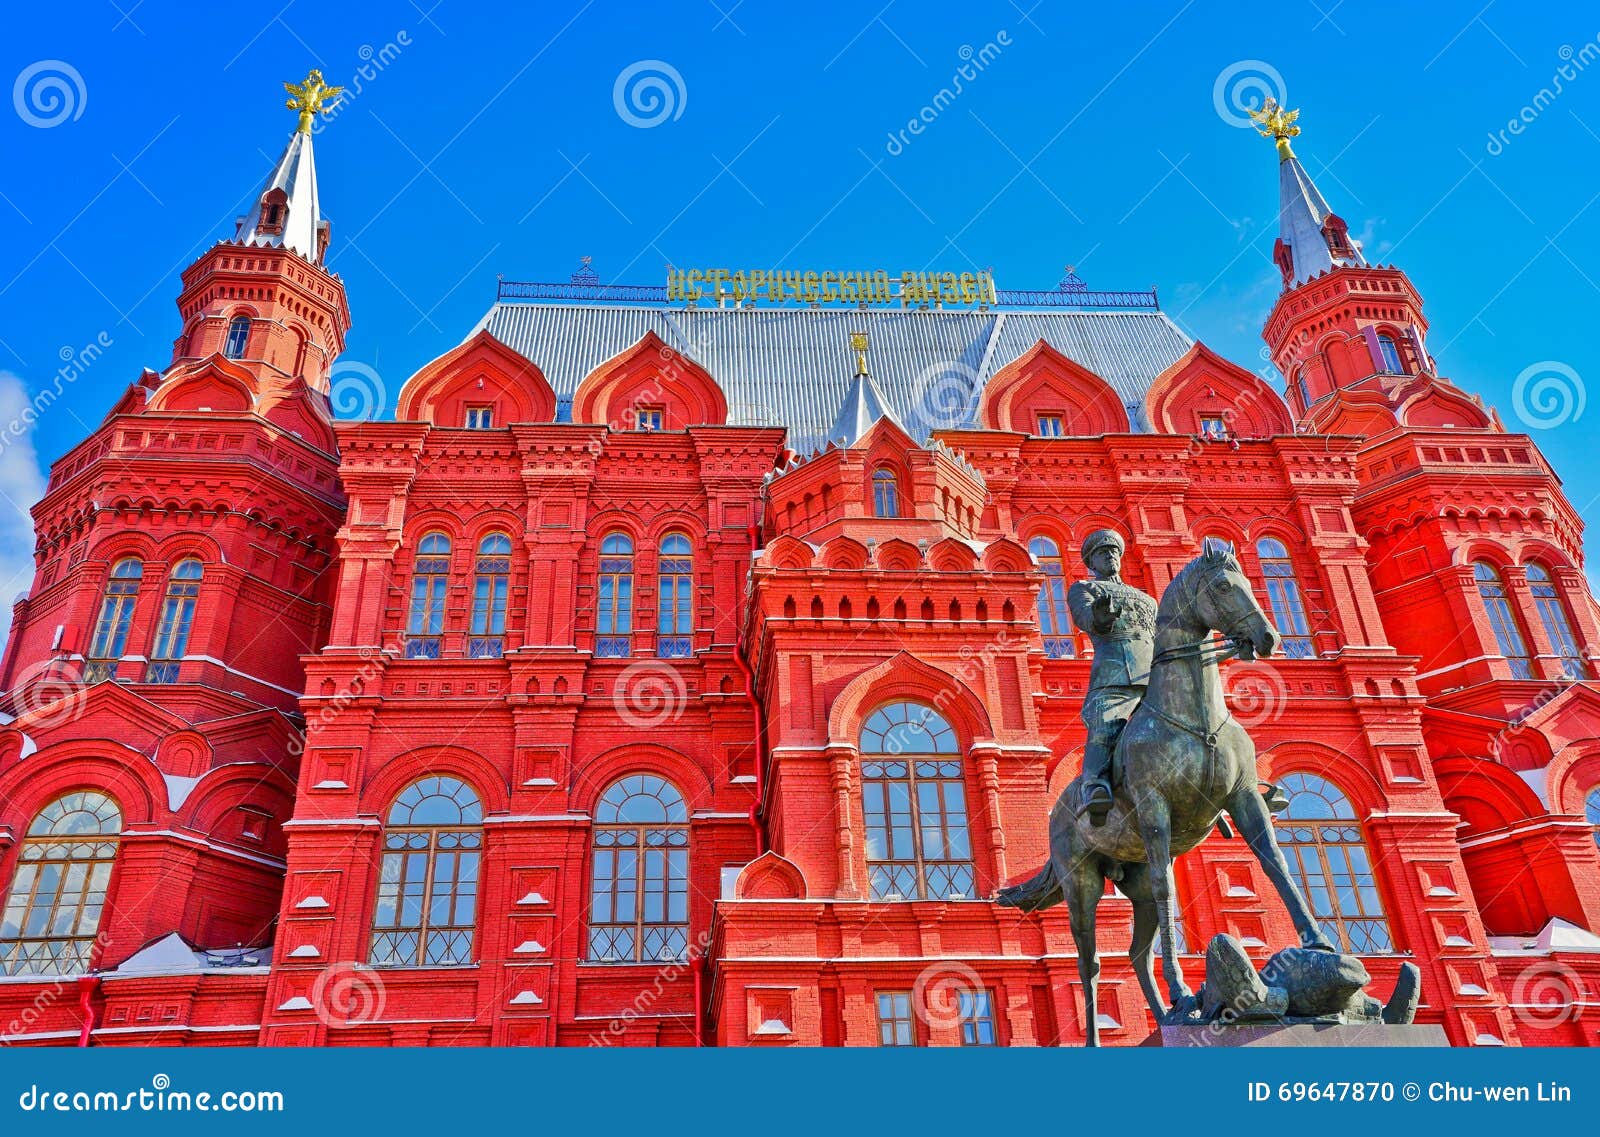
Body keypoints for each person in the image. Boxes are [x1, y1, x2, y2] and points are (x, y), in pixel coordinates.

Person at [1067, 530, 1157, 825]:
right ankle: (1094, 786)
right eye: (1102, 552)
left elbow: (1164, 637)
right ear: (1091, 561)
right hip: (1115, 673)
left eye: (1114, 551)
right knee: (1106, 726)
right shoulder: (1084, 589)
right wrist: (1101, 615)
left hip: (1155, 675)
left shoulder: (1147, 600)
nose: (1110, 556)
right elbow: (1087, 619)